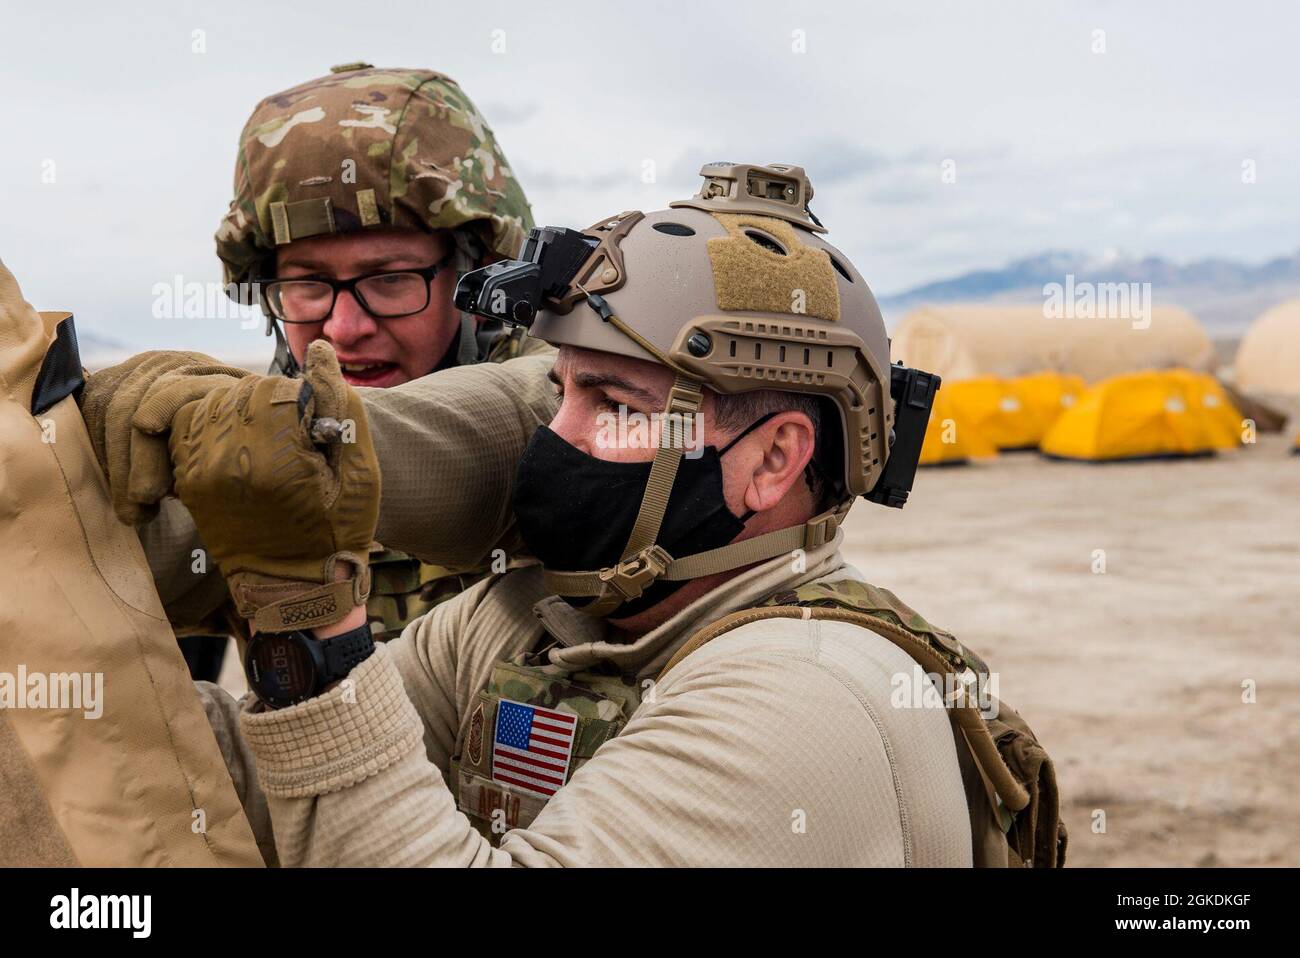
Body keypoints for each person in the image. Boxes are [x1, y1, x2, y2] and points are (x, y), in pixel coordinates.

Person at [162, 163, 1065, 866]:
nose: (553, 442)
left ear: (773, 460)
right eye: (556, 393)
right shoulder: (538, 618)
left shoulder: (809, 694)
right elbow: (246, 788)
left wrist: (311, 627)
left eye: (614, 403)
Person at [81, 63, 555, 673]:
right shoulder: (248, 440)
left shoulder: (582, 401)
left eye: (389, 279)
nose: (343, 329)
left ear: (476, 277)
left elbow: (520, 412)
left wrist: (298, 438)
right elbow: (117, 563)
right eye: (306, 284)